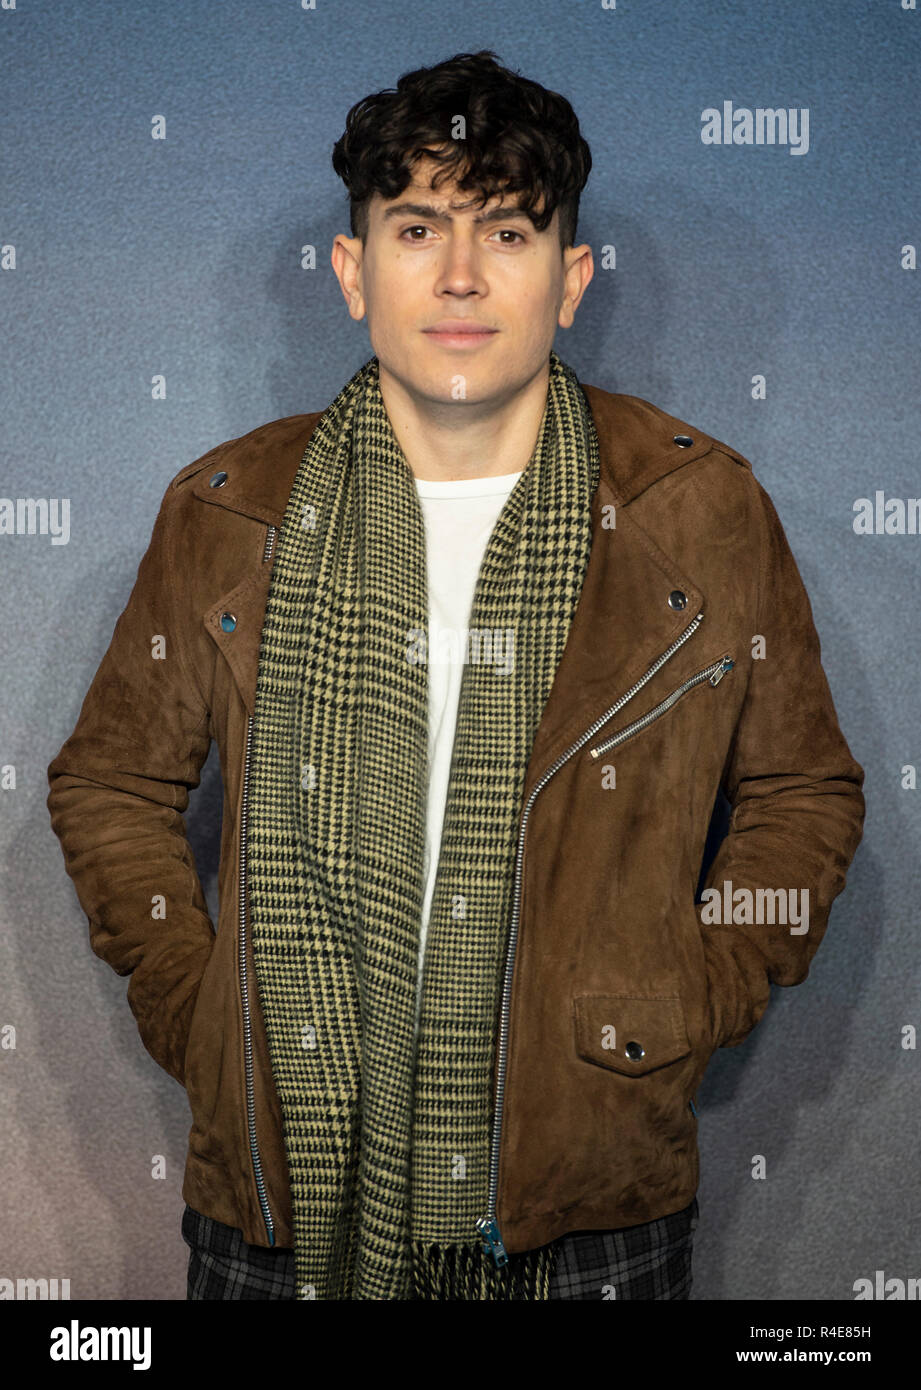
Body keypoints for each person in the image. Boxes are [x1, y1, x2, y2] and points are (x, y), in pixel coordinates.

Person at [46, 50, 865, 1302]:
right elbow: (110, 784)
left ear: (573, 279)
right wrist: (204, 1010)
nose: (463, 276)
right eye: (418, 227)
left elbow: (802, 792)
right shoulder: (226, 513)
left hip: (590, 1196)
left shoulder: (696, 509)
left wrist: (683, 996)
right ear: (352, 271)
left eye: (511, 232)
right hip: (280, 1194)